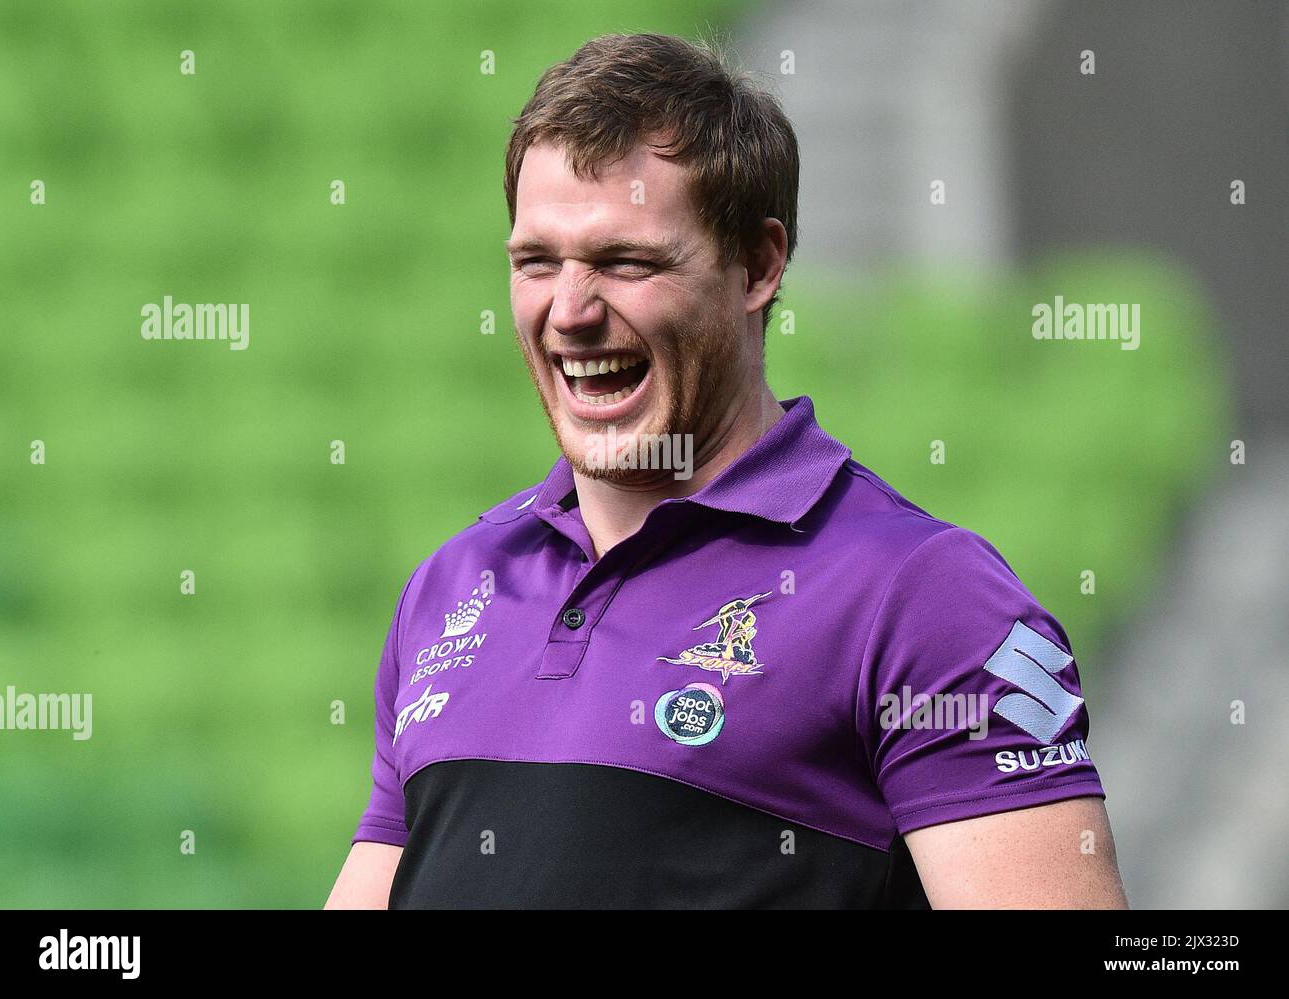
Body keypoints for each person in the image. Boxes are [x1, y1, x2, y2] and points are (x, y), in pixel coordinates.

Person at [326, 31, 1128, 909]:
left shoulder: (925, 596)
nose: (569, 311)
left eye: (625, 261)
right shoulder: (453, 583)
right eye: (537, 262)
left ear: (759, 264)